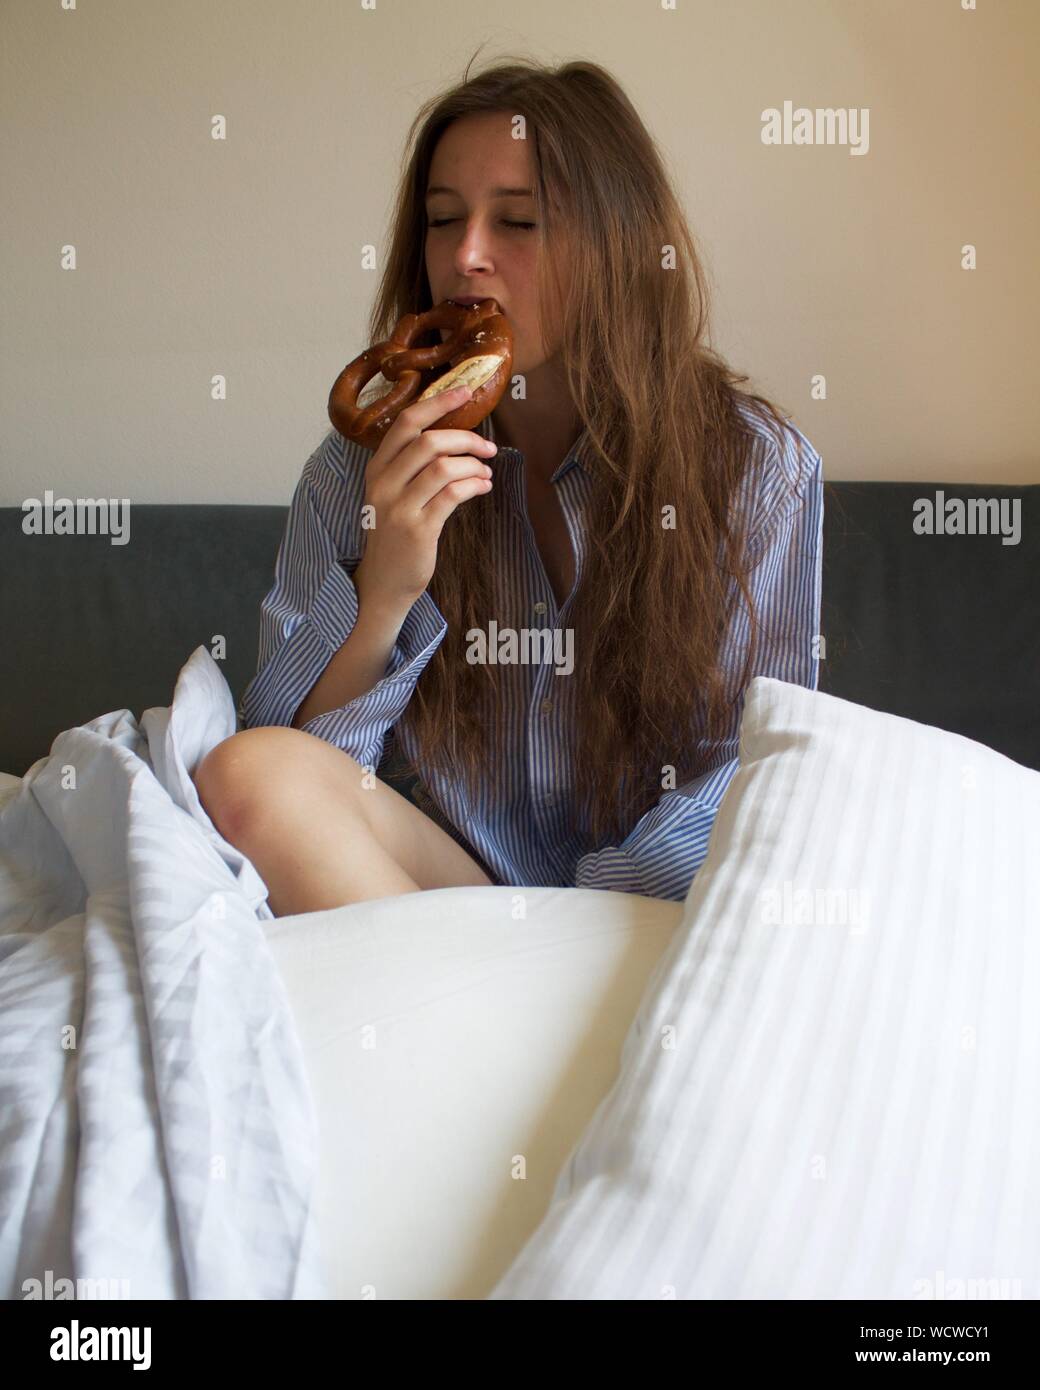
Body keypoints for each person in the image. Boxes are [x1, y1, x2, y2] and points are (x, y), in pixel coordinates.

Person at [193, 58, 823, 918]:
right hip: (461, 900)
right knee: (247, 773)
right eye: (443, 220)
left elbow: (753, 772)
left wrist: (578, 926)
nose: (466, 257)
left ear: (619, 245)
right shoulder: (358, 469)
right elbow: (306, 781)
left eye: (518, 222)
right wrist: (385, 592)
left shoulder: (756, 467)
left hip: (651, 912)